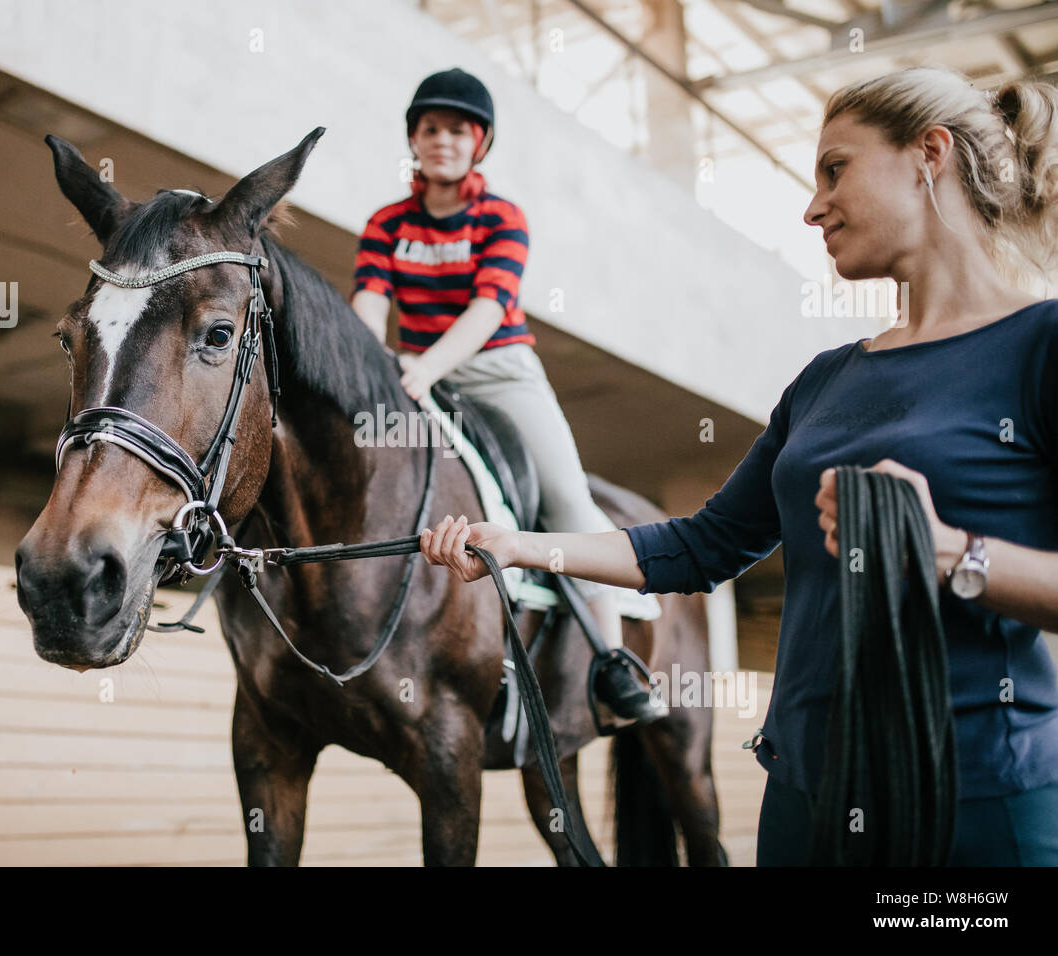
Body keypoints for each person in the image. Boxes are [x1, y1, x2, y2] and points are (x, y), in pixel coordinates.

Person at [420, 66, 1058, 866]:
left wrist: (952, 554)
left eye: (836, 170)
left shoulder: (1039, 346)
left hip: (980, 807)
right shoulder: (826, 378)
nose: (813, 206)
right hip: (805, 802)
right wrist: (519, 544)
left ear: (929, 153)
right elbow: (703, 545)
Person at [350, 67, 660, 725]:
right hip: (413, 370)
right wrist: (370, 364)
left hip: (496, 367)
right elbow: (371, 302)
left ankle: (610, 659)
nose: (442, 140)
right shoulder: (386, 223)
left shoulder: (501, 216)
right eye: (430, 128)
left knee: (566, 495)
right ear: (414, 138)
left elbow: (491, 308)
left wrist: (423, 368)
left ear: (479, 142)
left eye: (457, 130)